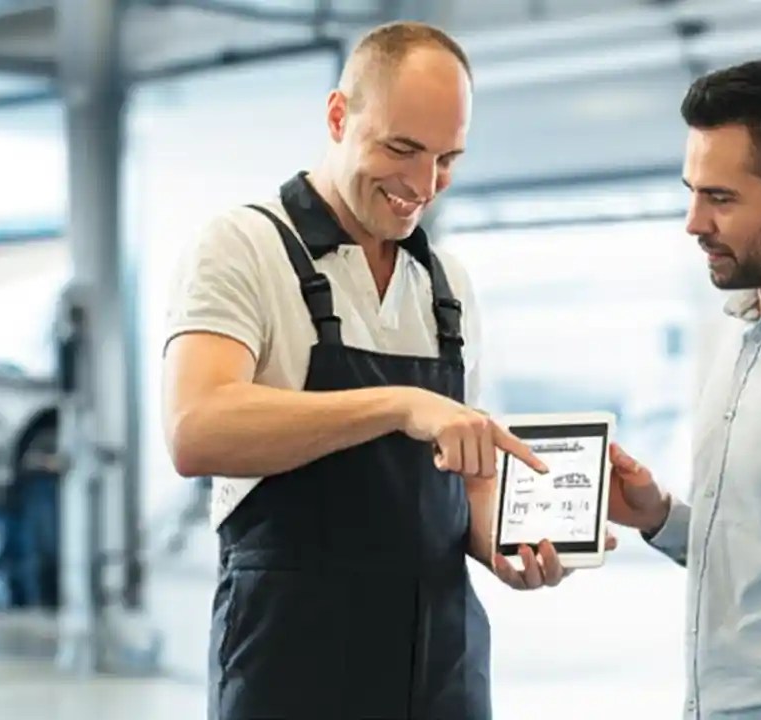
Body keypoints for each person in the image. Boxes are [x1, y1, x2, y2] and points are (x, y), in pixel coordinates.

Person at [161, 21, 590, 720]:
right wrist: (398, 405)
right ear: (339, 115)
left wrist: (511, 546)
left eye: (448, 158)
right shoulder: (242, 246)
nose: (423, 185)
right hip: (293, 676)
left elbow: (465, 483)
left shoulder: (447, 285)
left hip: (443, 678)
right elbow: (195, 428)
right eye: (402, 148)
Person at [608, 59, 761, 720]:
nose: (693, 221)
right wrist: (662, 517)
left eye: (720, 198)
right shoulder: (746, 329)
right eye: (692, 191)